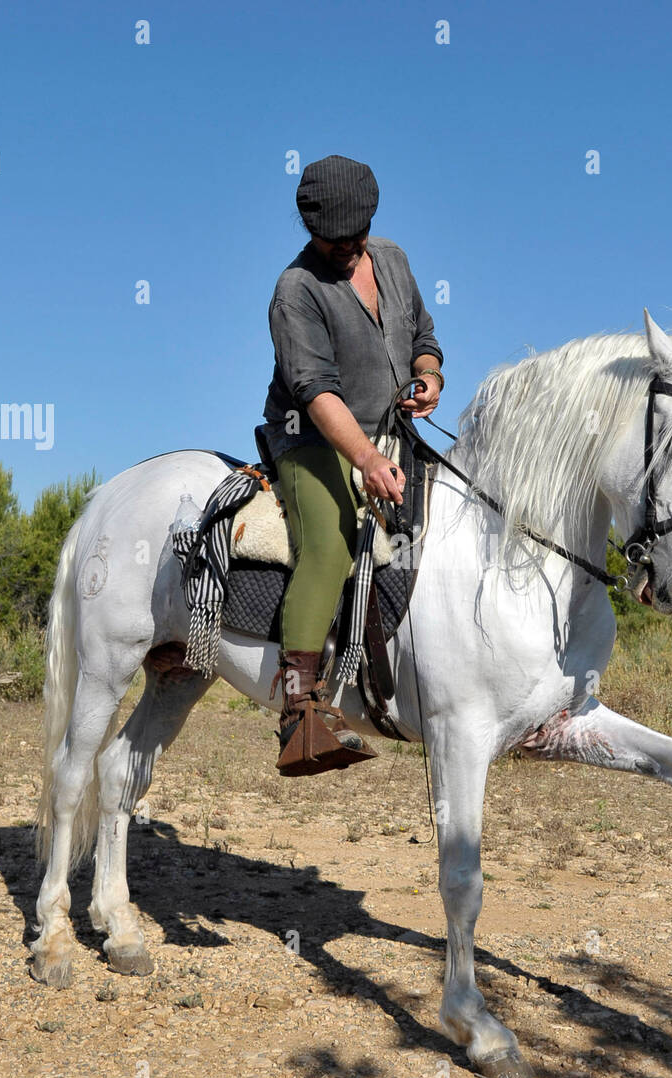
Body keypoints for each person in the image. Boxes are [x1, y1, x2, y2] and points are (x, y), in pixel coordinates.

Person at [259, 155, 444, 776]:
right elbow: (313, 390)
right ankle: (300, 709)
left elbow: (423, 333)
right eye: (333, 239)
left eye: (356, 235)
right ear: (309, 227)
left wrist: (428, 376)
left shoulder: (391, 257)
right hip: (310, 437)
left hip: (392, 432)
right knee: (333, 539)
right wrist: (363, 456)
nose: (347, 247)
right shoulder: (295, 291)